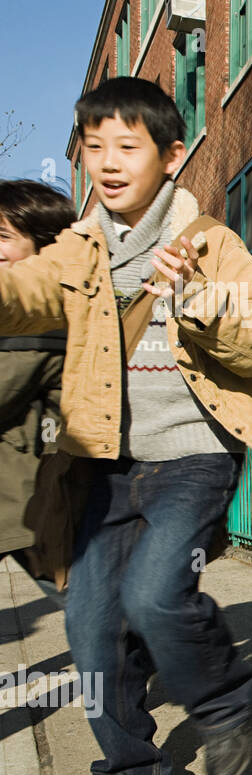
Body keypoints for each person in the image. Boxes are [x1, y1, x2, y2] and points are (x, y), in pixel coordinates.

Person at [0, 77, 252, 775]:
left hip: (193, 454)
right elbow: (22, 291)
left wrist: (196, 301)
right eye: (94, 147)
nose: (108, 162)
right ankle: (132, 770)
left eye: (127, 146)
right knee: (90, 628)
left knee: (156, 594)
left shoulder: (211, 243)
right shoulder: (78, 247)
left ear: (171, 155)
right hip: (105, 463)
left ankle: (223, 702)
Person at [0, 181, 76, 590]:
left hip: (32, 498)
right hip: (21, 495)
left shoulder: (39, 318)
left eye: (4, 237)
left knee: (95, 618)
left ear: (45, 248)